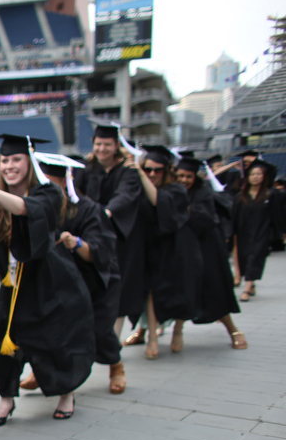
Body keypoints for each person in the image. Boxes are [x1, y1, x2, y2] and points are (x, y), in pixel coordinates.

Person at [0, 134, 94, 424]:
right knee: (0, 337)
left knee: (56, 338)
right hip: (12, 286)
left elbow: (26, 208)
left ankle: (66, 392)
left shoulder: (48, 193)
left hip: (50, 282)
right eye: (5, 160)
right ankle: (6, 399)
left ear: (30, 162)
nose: (9, 166)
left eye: (16, 160)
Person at [34, 152, 125, 393]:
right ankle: (44, 372)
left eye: (50, 182)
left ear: (65, 182)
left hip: (95, 279)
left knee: (100, 330)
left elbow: (101, 250)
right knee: (50, 328)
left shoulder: (88, 209)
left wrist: (75, 242)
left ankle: (116, 366)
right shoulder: (41, 207)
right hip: (62, 282)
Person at [73, 121, 144, 344]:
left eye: (107, 145)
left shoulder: (127, 171)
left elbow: (124, 197)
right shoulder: (86, 168)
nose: (102, 149)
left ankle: (111, 342)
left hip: (119, 236)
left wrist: (105, 213)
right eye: (98, 144)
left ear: (116, 146)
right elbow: (75, 192)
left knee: (118, 287)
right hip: (92, 234)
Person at [127, 146, 201, 359]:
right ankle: (151, 337)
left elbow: (159, 202)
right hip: (152, 247)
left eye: (157, 170)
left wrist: (140, 173)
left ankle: (178, 331)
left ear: (167, 170)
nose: (152, 174)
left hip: (178, 247)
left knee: (183, 289)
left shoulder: (176, 190)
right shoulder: (139, 188)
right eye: (147, 169)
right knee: (151, 290)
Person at [172, 157, 247, 350]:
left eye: (188, 176)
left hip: (207, 248)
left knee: (215, 289)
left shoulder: (203, 191)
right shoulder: (169, 190)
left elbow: (206, 218)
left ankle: (233, 330)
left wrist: (183, 209)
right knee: (183, 290)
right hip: (181, 250)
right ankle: (176, 331)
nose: (184, 180)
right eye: (181, 175)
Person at [233, 160, 280, 302]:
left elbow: (277, 215)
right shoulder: (240, 196)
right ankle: (251, 283)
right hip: (244, 234)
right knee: (246, 258)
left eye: (259, 174)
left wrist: (279, 233)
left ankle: (247, 288)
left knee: (255, 257)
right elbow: (234, 217)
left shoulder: (270, 195)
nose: (255, 177)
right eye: (252, 174)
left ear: (264, 177)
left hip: (262, 233)